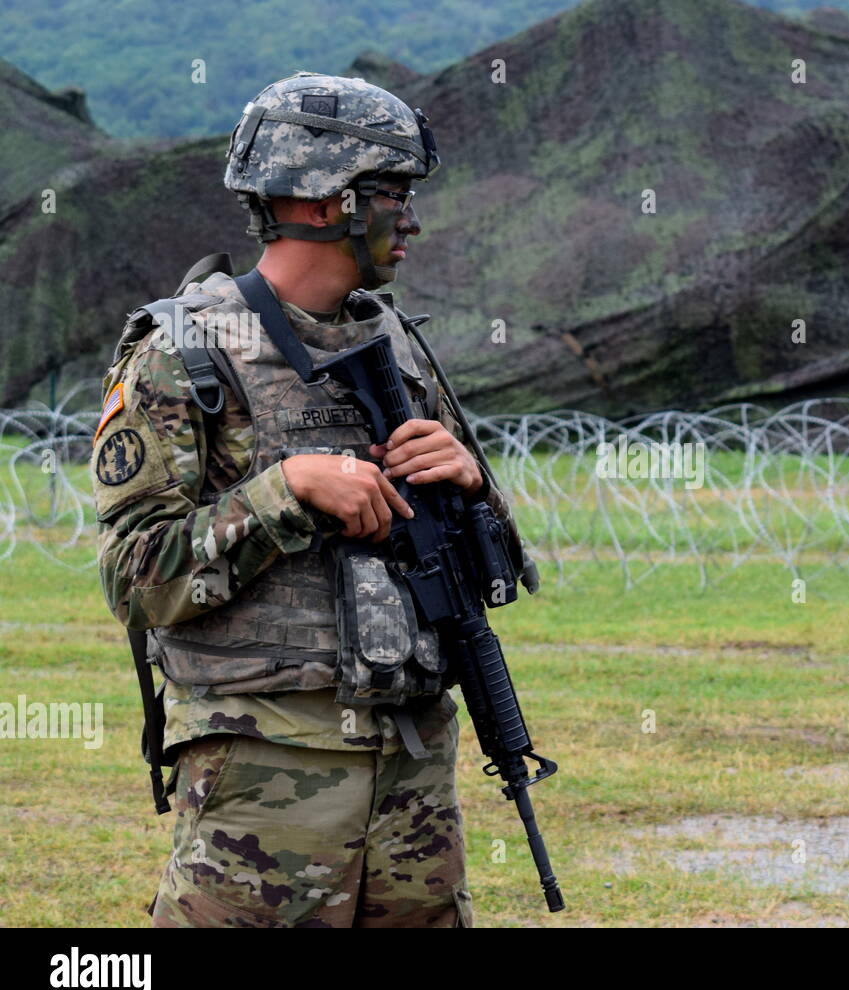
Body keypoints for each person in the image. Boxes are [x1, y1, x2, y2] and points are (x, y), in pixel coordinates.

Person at [91, 71, 534, 928]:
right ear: (328, 202)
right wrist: (287, 491)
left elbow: (504, 570)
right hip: (265, 772)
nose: (412, 219)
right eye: (393, 194)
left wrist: (473, 487)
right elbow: (136, 579)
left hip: (412, 773)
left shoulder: (397, 342)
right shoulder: (182, 350)